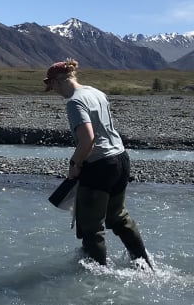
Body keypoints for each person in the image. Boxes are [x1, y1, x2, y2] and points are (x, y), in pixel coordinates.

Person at [44, 58, 153, 270]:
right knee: (118, 217)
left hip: (99, 165)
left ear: (58, 81)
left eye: (52, 86)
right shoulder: (96, 92)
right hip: (121, 159)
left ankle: (98, 276)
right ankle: (145, 265)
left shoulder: (75, 102)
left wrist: (75, 164)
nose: (54, 91)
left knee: (91, 226)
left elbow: (87, 138)